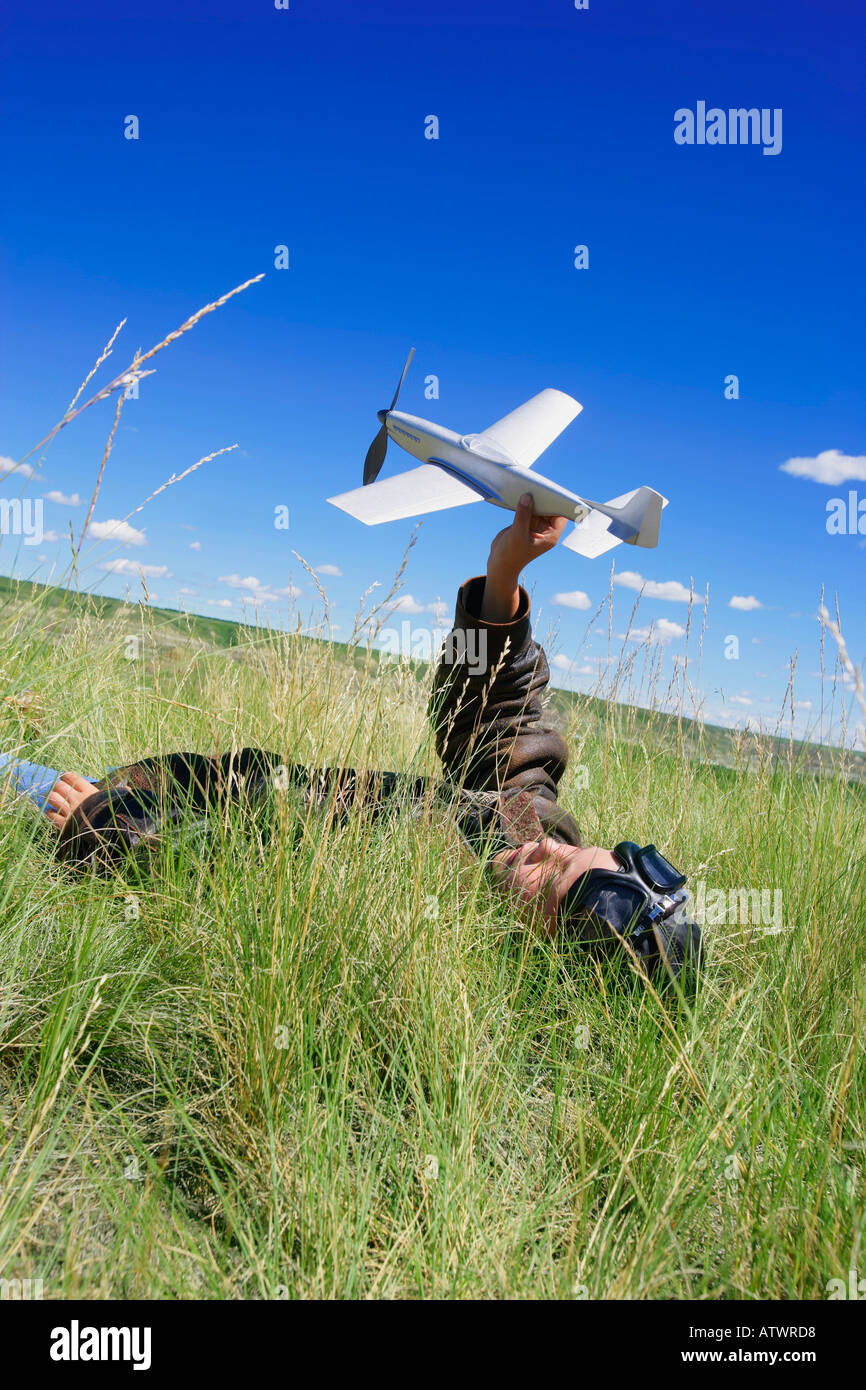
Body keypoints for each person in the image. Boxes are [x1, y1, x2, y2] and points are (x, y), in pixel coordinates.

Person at [0, 496, 702, 987]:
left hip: (122, 819)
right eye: (571, 851)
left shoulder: (430, 942)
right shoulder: (524, 829)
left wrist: (101, 827)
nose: (545, 850)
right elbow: (505, 725)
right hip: (166, 785)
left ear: (550, 948)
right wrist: (504, 577)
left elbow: (229, 887)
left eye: (550, 882)